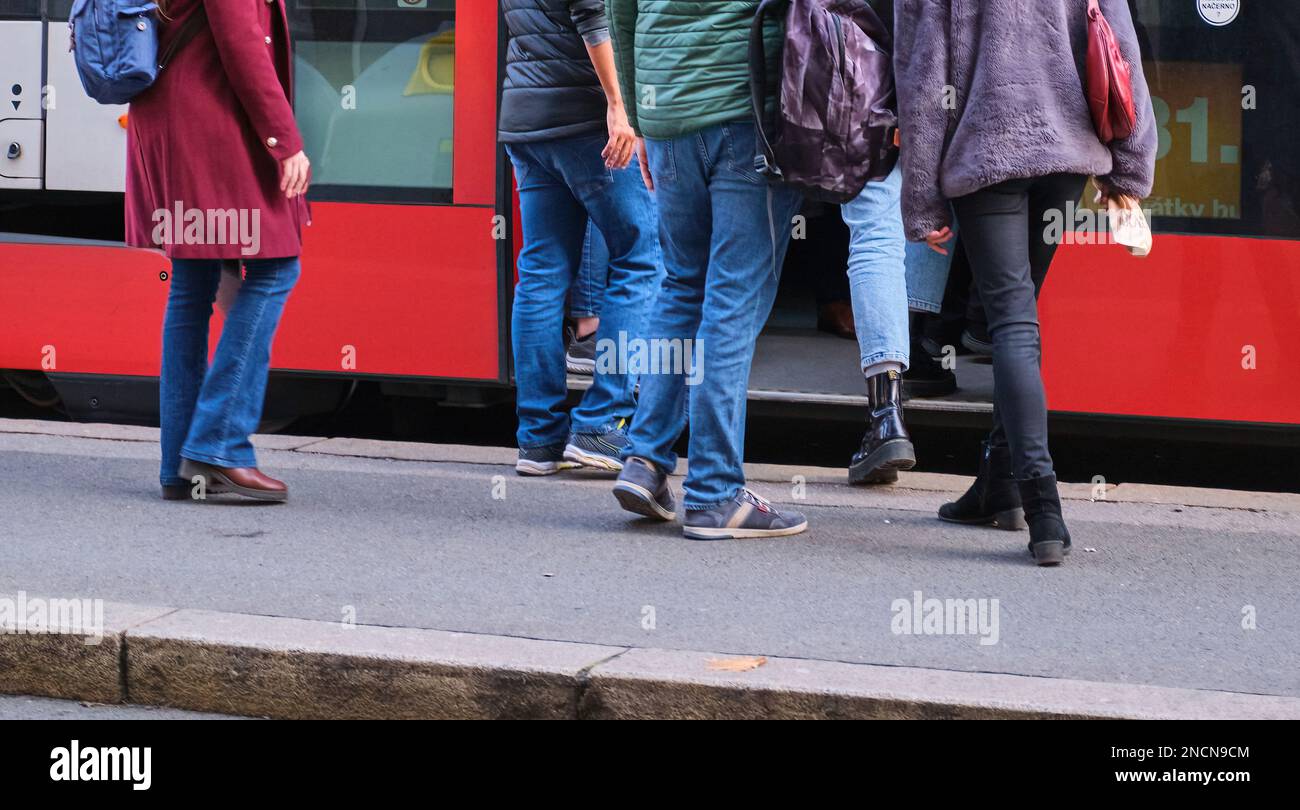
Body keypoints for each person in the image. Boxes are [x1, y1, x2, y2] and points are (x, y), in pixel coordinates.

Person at [895, 0, 1156, 564]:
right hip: (1065, 154)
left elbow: (922, 73)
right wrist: (1131, 167)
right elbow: (1122, 42)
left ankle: (1044, 507)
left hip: (985, 151)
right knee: (1022, 320)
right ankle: (1000, 483)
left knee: (1013, 322)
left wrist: (920, 199)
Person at [607, 0, 809, 540]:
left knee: (680, 286)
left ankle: (645, 461)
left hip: (668, 114)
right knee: (731, 302)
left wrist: (641, 121)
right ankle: (714, 492)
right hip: (747, 114)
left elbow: (619, 13)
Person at [126, 0, 311, 502]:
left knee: (191, 288)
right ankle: (218, 445)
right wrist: (285, 141)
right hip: (208, 122)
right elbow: (242, 43)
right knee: (276, 266)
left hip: (172, 115)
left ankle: (182, 467)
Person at [499, 0, 661, 475]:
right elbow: (593, 16)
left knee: (542, 272)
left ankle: (539, 439)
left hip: (527, 119)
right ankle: (600, 420)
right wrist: (619, 105)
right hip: (587, 118)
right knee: (642, 257)